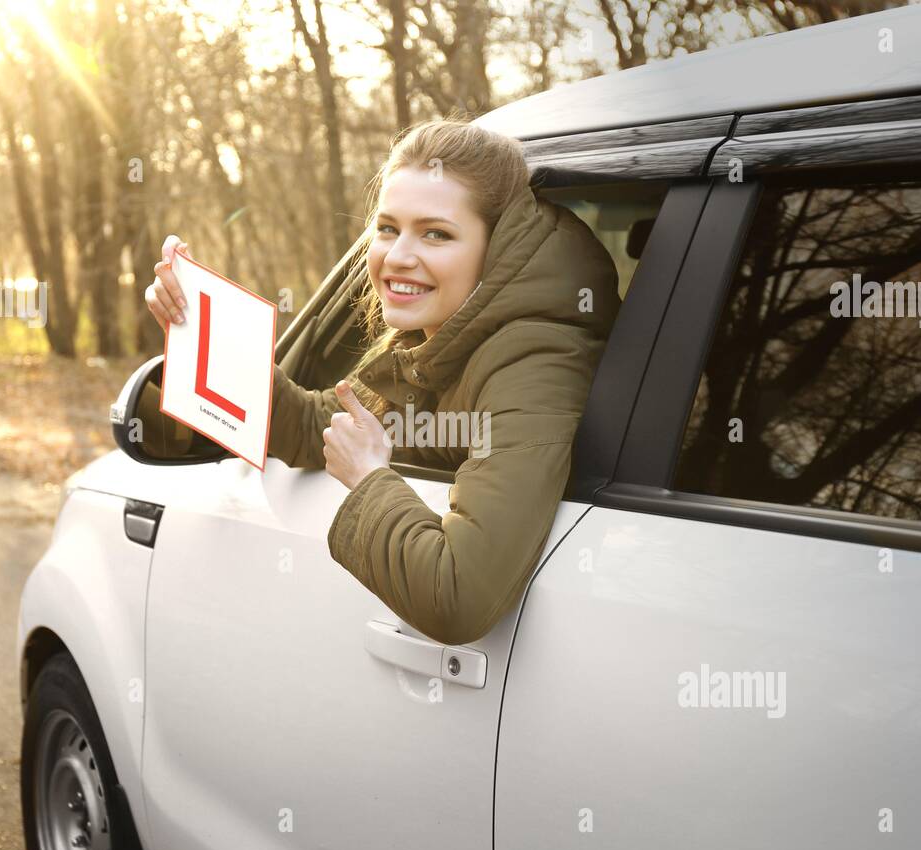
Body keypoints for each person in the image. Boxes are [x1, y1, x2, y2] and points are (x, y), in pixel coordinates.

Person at [144, 118, 620, 645]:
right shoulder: (437, 341)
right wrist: (197, 322)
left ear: (497, 246)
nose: (396, 257)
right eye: (388, 228)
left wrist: (370, 476)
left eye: (435, 233)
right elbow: (311, 427)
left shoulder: (533, 360)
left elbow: (458, 596)